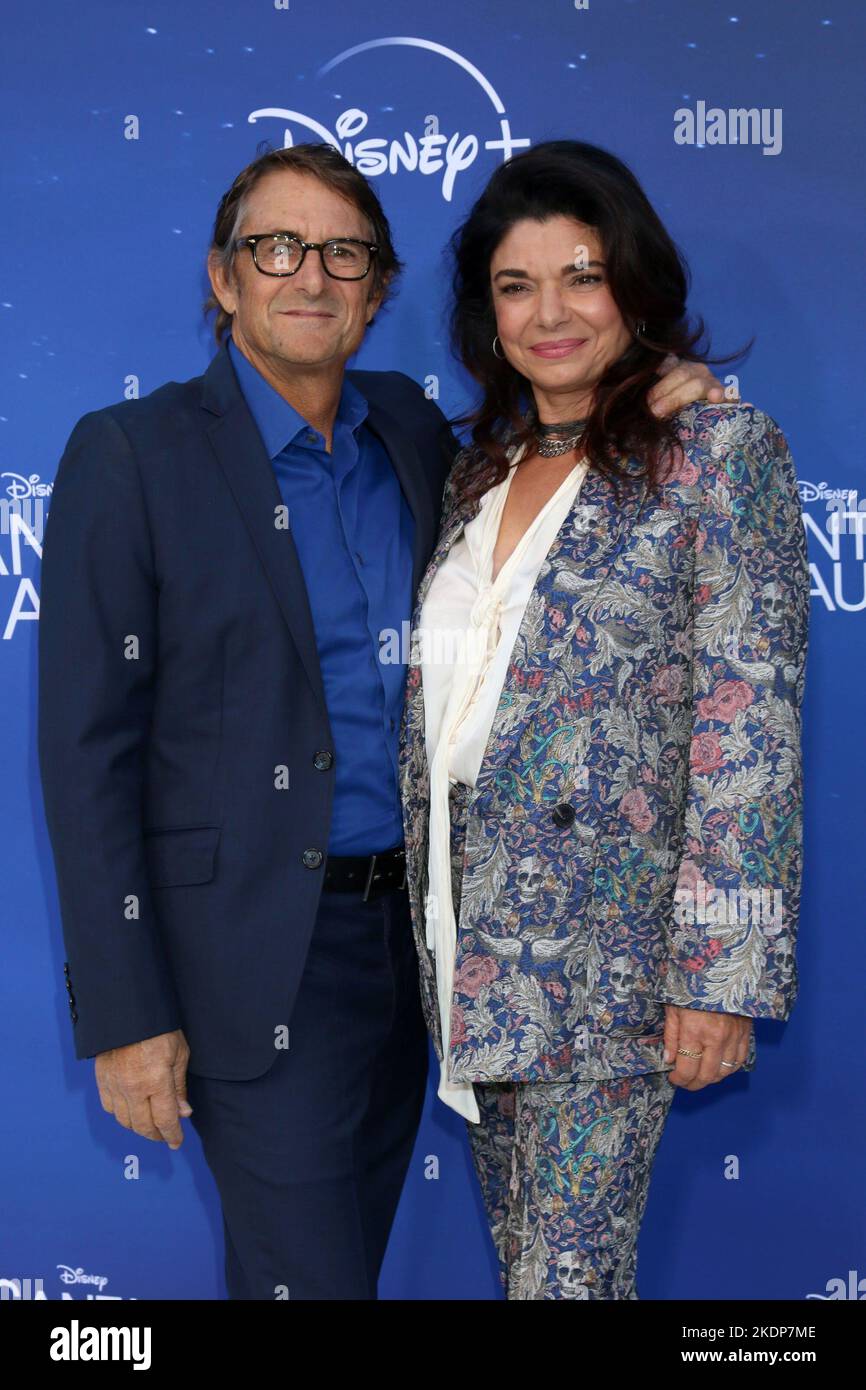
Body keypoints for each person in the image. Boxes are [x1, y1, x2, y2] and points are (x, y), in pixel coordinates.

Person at [38, 142, 726, 1301]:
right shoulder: (132, 457)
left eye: (343, 252)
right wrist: (125, 1012)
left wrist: (662, 395)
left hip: (421, 954)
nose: (310, 275)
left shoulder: (415, 437)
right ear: (224, 278)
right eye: (277, 248)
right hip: (253, 959)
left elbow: (558, 479)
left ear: (377, 287)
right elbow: (84, 751)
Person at [398, 139, 810, 1299]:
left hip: (612, 972)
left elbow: (750, 732)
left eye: (580, 274)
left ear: (632, 281)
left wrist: (720, 973)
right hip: (470, 954)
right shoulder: (476, 473)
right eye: (514, 285)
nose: (550, 312)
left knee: (565, 1281)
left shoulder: (717, 453)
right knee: (536, 1271)